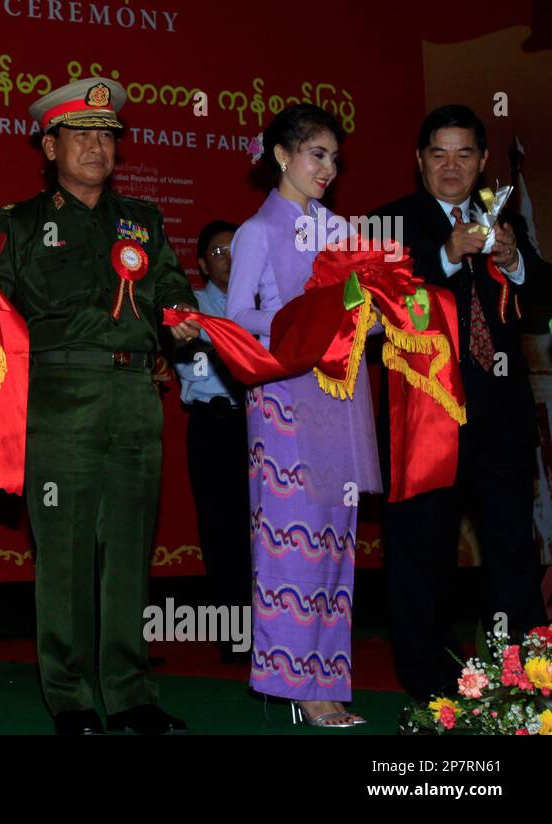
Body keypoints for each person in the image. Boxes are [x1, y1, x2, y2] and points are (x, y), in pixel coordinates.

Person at [0, 78, 200, 735]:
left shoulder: (144, 221)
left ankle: (131, 693)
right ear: (50, 145)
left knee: (129, 553)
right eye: (82, 134)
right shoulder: (18, 224)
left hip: (135, 396)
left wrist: (181, 317)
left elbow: (171, 288)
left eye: (108, 135)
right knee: (66, 554)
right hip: (59, 399)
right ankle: (69, 697)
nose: (98, 146)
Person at [371, 105, 548, 702]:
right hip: (426, 418)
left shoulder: (504, 219)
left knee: (511, 550)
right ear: (420, 160)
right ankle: (434, 687)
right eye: (439, 154)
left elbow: (543, 298)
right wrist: (446, 256)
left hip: (501, 418)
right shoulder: (389, 223)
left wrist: (513, 262)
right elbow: (376, 304)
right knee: (422, 554)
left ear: (482, 162)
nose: (452, 166)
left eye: (465, 154)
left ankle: (522, 678)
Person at [227, 104, 380, 727]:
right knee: (292, 547)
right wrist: (304, 325)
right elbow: (237, 324)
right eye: (317, 154)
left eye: (335, 158)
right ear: (282, 155)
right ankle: (292, 685)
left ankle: (327, 678)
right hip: (285, 401)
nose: (328, 168)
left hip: (338, 401)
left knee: (336, 544)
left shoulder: (342, 232)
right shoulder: (256, 233)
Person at [174, 220, 251, 664]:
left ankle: (274, 629)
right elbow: (193, 361)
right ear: (202, 263)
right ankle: (234, 637)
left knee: (266, 530)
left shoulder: (260, 304)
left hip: (260, 425)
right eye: (218, 253)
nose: (228, 260)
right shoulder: (194, 306)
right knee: (221, 532)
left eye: (235, 250)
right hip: (214, 425)